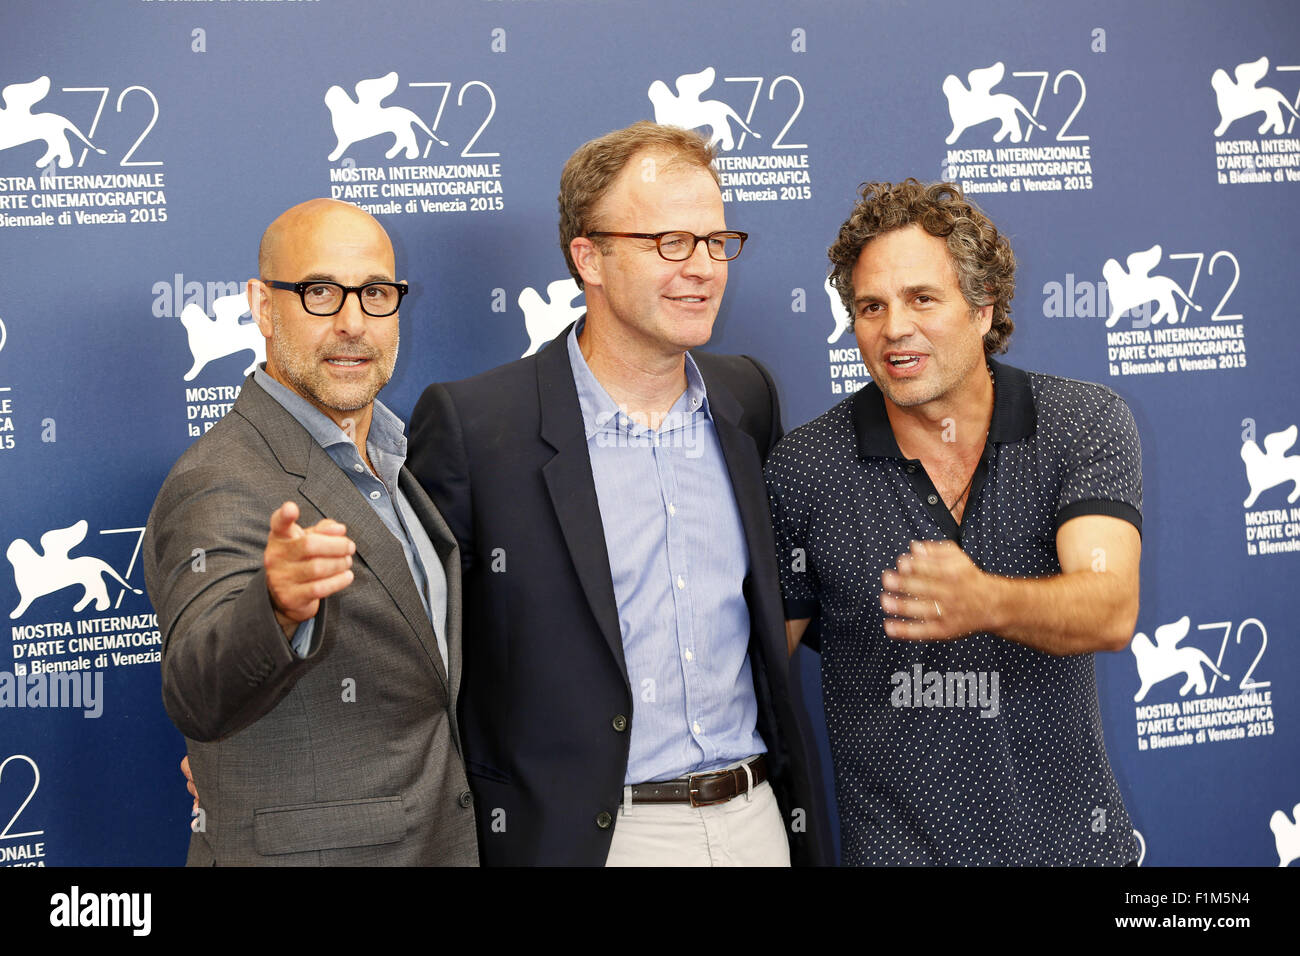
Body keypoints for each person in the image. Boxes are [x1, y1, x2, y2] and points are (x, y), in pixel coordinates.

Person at [408, 122, 829, 866]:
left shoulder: (747, 399)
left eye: (715, 241)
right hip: (594, 839)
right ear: (589, 257)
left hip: (758, 820)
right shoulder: (476, 427)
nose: (702, 267)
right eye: (669, 242)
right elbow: (414, 651)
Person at [765, 179, 1142, 865]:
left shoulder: (1080, 423)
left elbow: (1110, 607)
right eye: (870, 306)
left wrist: (986, 600)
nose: (893, 328)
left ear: (981, 307)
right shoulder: (805, 466)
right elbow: (755, 666)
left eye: (922, 299)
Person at [144, 199, 478, 866]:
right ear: (263, 308)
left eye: (376, 293)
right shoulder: (220, 477)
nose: (353, 323)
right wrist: (271, 607)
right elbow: (197, 689)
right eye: (320, 293)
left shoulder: (390, 456)